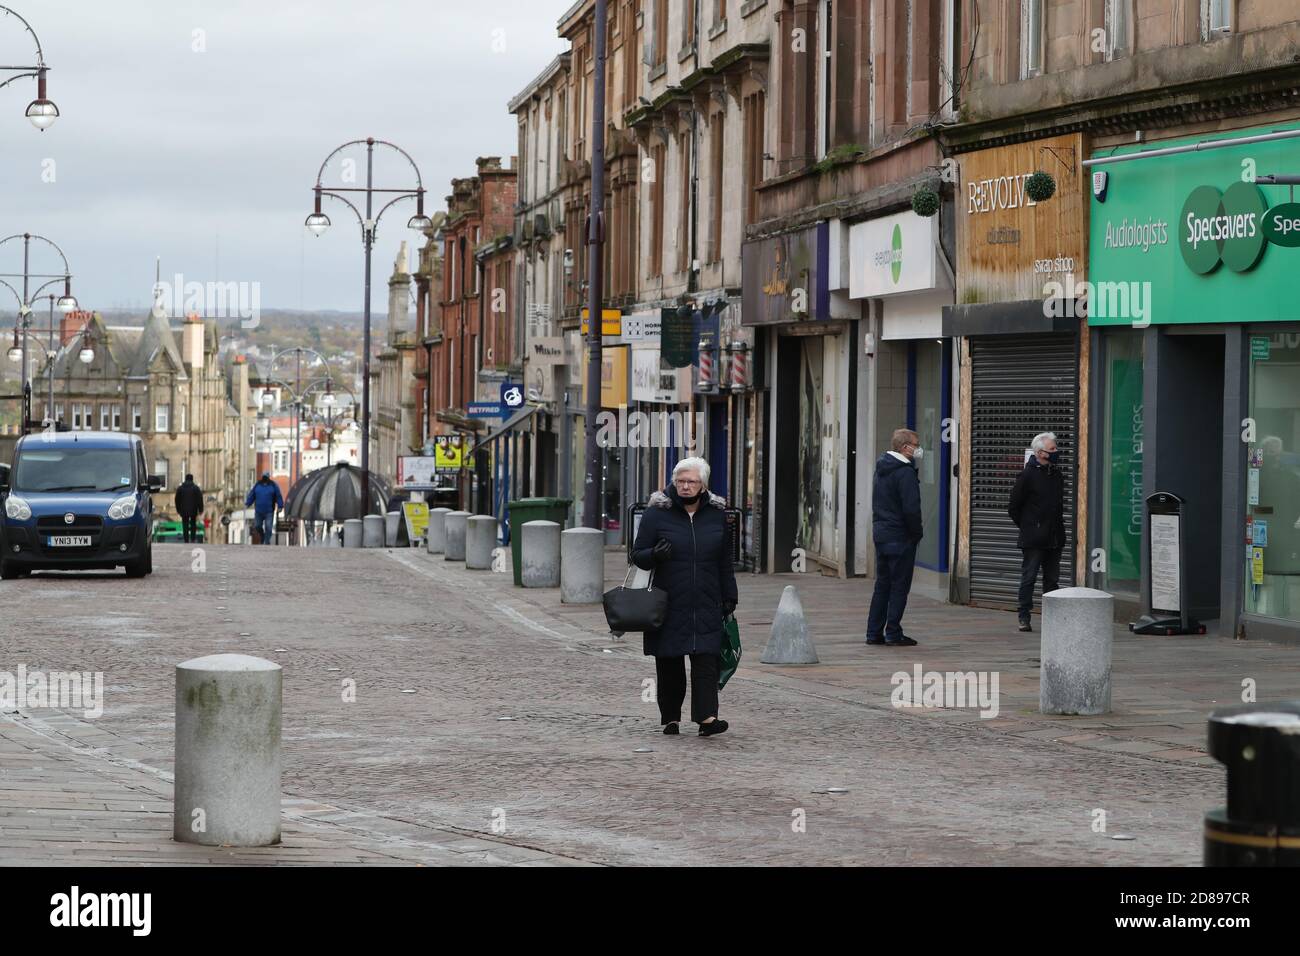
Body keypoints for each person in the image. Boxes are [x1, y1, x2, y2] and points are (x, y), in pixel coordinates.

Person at [631, 457, 738, 737]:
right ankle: (670, 718)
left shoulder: (717, 515)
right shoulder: (656, 513)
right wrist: (655, 554)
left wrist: (730, 595)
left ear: (703, 484)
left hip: (706, 598)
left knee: (707, 659)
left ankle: (707, 719)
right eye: (680, 481)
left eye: (691, 481)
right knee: (669, 661)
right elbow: (637, 555)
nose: (685, 486)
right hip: (667, 600)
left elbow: (725, 561)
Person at [866, 428, 924, 647]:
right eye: (916, 445)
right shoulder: (905, 472)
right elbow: (911, 508)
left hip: (882, 534)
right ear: (905, 447)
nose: (918, 449)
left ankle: (873, 632)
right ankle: (893, 632)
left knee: (882, 585)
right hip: (900, 536)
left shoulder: (882, 468)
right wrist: (916, 533)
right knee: (899, 585)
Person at [1009, 431, 1066, 632]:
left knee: (1052, 579)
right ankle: (1024, 616)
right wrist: (1029, 526)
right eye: (1052, 449)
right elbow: (1013, 507)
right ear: (1041, 453)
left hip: (1054, 536)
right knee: (1029, 577)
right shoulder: (1027, 475)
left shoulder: (1057, 474)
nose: (1056, 451)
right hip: (1034, 537)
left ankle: (1053, 617)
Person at [245, 472, 284, 546]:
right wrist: (248, 503)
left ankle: (266, 541)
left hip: (269, 511)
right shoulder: (257, 485)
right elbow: (252, 494)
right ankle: (262, 537)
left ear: (268, 477)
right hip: (258, 511)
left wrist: (280, 506)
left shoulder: (273, 485)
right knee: (257, 526)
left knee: (268, 528)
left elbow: (278, 496)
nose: (264, 478)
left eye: (266, 477)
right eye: (264, 476)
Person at [174, 473, 204, 543]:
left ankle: (186, 539)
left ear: (185, 479)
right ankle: (193, 539)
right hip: (193, 509)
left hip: (183, 510)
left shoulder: (180, 488)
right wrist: (200, 509)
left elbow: (176, 499)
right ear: (192, 479)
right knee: (193, 524)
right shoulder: (196, 488)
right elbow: (200, 499)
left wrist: (178, 509)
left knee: (185, 524)